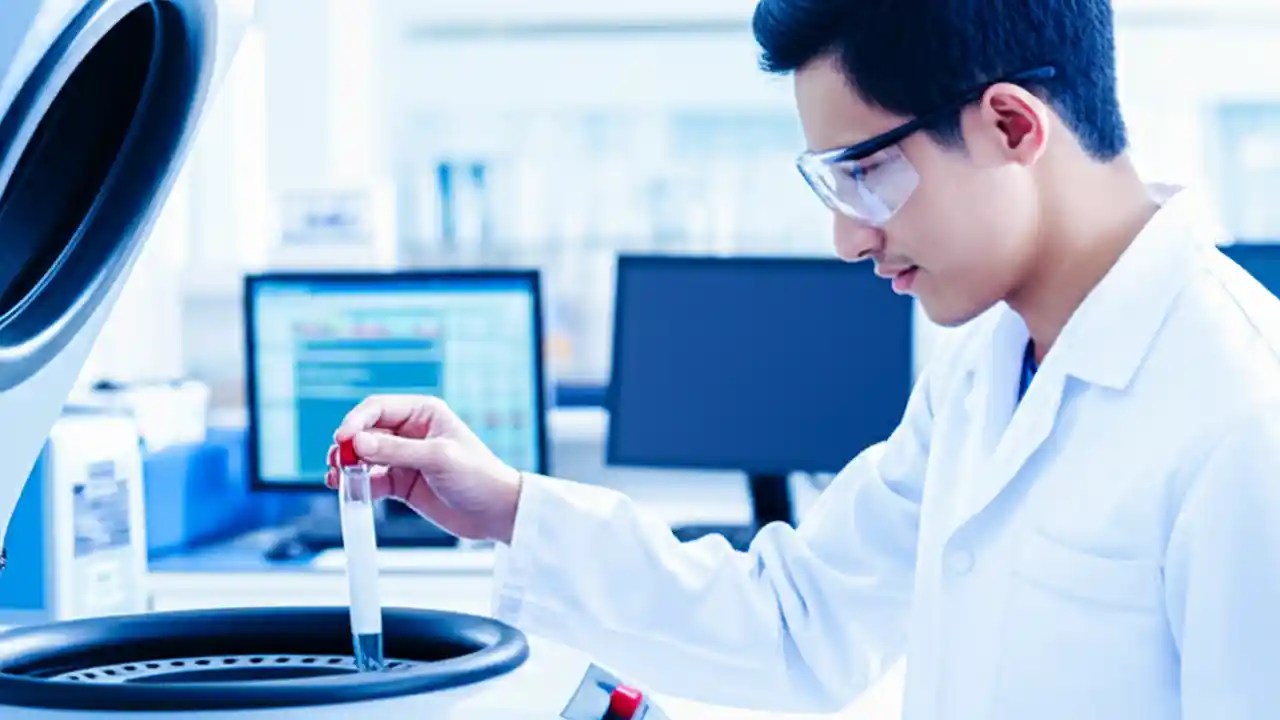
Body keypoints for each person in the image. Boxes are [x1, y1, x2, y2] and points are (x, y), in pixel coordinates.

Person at [326, 0, 1280, 717]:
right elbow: (800, 619)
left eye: (864, 173)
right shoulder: (987, 365)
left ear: (1011, 126)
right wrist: (507, 507)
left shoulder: (1242, 417)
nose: (846, 238)